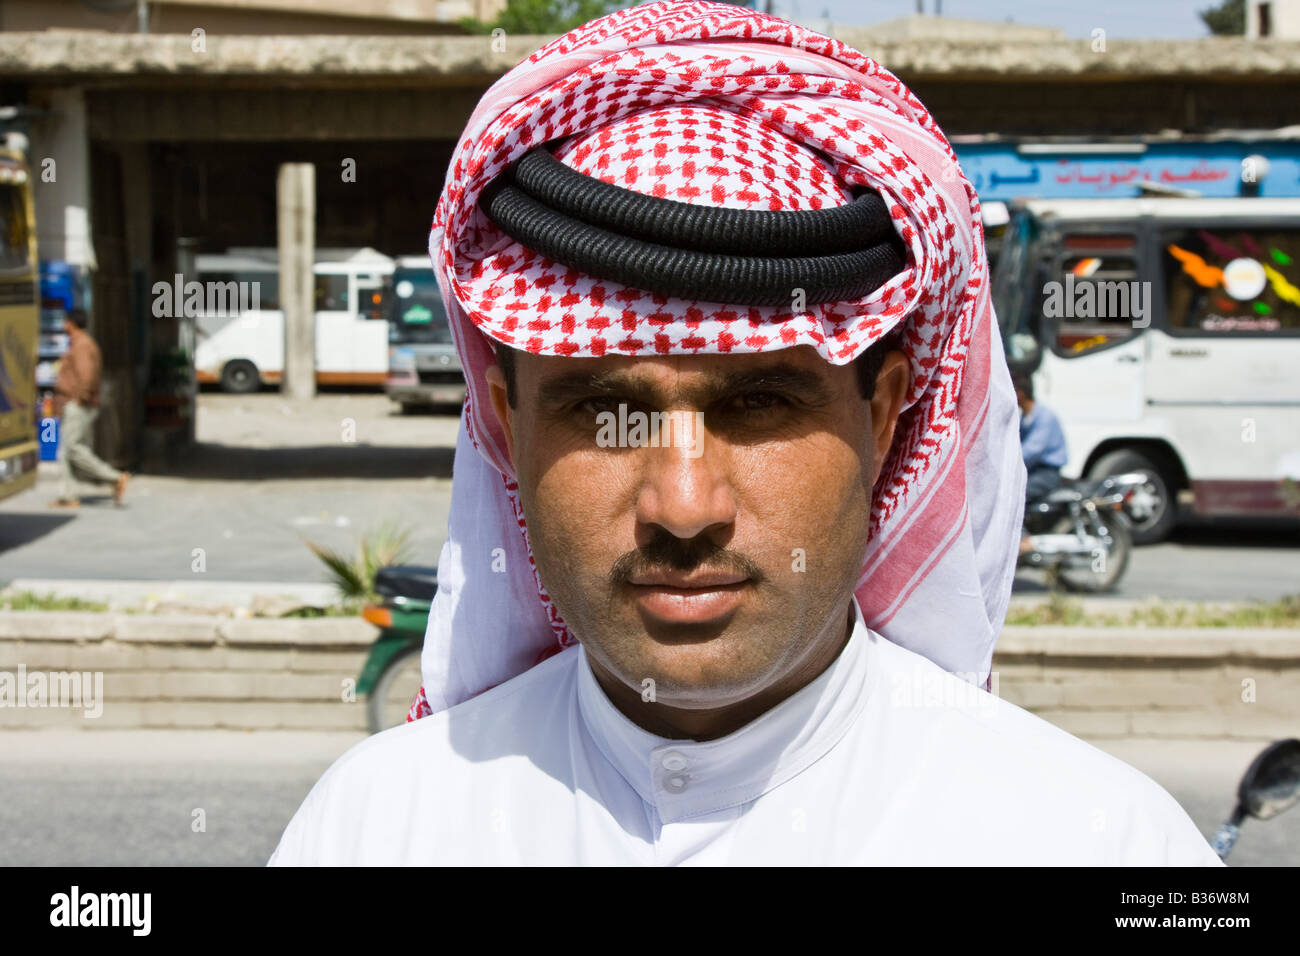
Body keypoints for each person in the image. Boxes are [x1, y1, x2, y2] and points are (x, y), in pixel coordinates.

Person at [270, 1, 1220, 865]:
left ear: (885, 416)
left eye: (762, 404)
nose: (684, 508)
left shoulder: (1096, 840)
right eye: (607, 412)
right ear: (510, 426)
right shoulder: (374, 828)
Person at [50, 307, 129, 508]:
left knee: (73, 448)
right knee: (67, 450)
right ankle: (69, 495)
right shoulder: (78, 344)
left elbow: (87, 375)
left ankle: (114, 477)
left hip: (78, 404)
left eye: (65, 321)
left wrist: (80, 398)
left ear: (71, 323)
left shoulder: (82, 345)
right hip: (73, 403)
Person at [1014, 372, 1069, 502]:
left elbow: (1032, 450)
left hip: (1046, 472)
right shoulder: (1025, 418)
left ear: (1020, 393)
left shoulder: (1044, 416)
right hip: (1033, 470)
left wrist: (1010, 462)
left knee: (1017, 495)